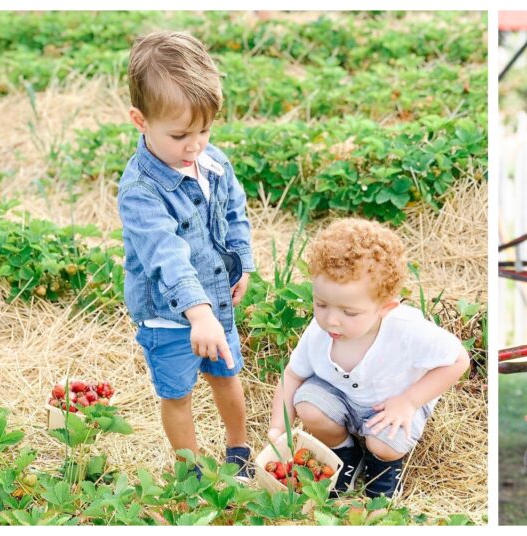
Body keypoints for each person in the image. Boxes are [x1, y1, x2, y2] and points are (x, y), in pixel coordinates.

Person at [116, 31, 256, 477]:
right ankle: (190, 470)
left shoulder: (212, 161)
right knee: (176, 393)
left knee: (226, 376)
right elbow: (166, 255)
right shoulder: (140, 190)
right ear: (140, 120)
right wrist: (197, 314)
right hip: (169, 315)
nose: (194, 145)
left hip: (215, 302)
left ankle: (239, 449)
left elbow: (235, 211)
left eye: (204, 130)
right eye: (180, 135)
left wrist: (242, 259)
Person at [265, 219, 470, 498]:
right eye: (321, 305)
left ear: (385, 308)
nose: (332, 321)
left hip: (391, 404)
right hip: (341, 397)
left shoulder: (407, 331)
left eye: (349, 313)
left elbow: (459, 360)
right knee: (308, 406)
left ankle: (382, 467)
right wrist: (279, 426)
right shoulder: (318, 333)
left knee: (383, 445)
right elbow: (292, 376)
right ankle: (346, 454)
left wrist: (409, 401)